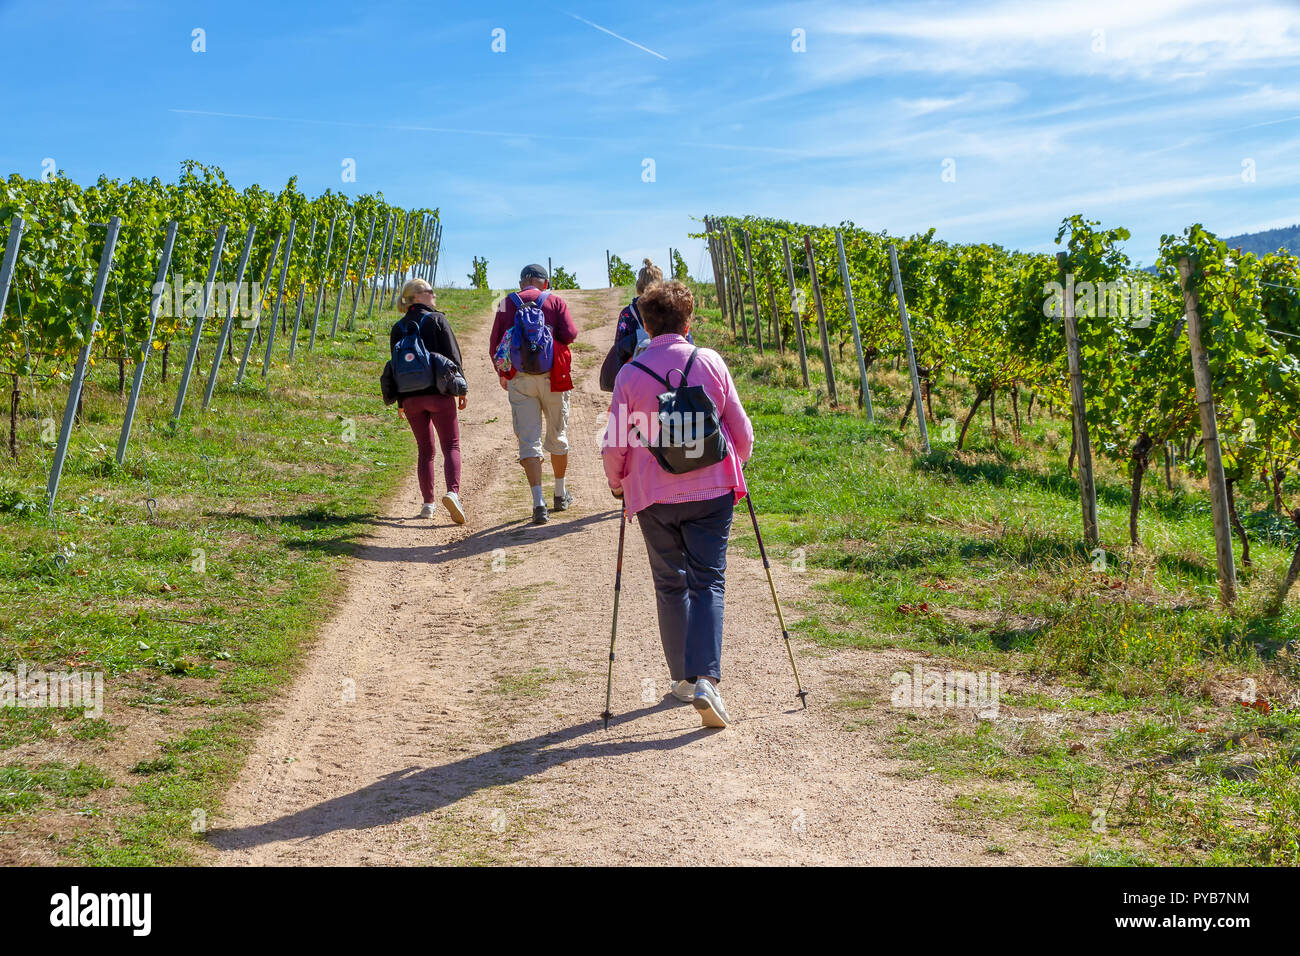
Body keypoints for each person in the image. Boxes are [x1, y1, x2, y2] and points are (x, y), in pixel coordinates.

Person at [600, 280, 754, 728]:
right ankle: (707, 679)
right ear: (689, 321)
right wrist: (734, 464)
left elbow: (615, 444)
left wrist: (617, 486)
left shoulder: (630, 375)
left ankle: (684, 682)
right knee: (709, 581)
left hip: (654, 495)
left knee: (670, 584)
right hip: (713, 490)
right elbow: (740, 432)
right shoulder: (710, 361)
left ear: (645, 324)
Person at [489, 264, 579, 525]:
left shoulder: (507, 303)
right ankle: (560, 494)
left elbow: (495, 344)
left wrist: (504, 374)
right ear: (545, 283)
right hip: (554, 378)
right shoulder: (555, 302)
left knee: (529, 440)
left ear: (521, 283)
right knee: (557, 436)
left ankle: (538, 503)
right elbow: (571, 334)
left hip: (521, 379)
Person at [390, 278, 467, 524]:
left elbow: (395, 367)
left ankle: (427, 505)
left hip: (411, 399)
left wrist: (400, 401)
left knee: (425, 451)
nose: (434, 294)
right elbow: (453, 356)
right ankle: (453, 494)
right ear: (416, 296)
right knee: (451, 446)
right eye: (429, 291)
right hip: (439, 394)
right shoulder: (437, 320)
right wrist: (461, 388)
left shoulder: (398, 328)